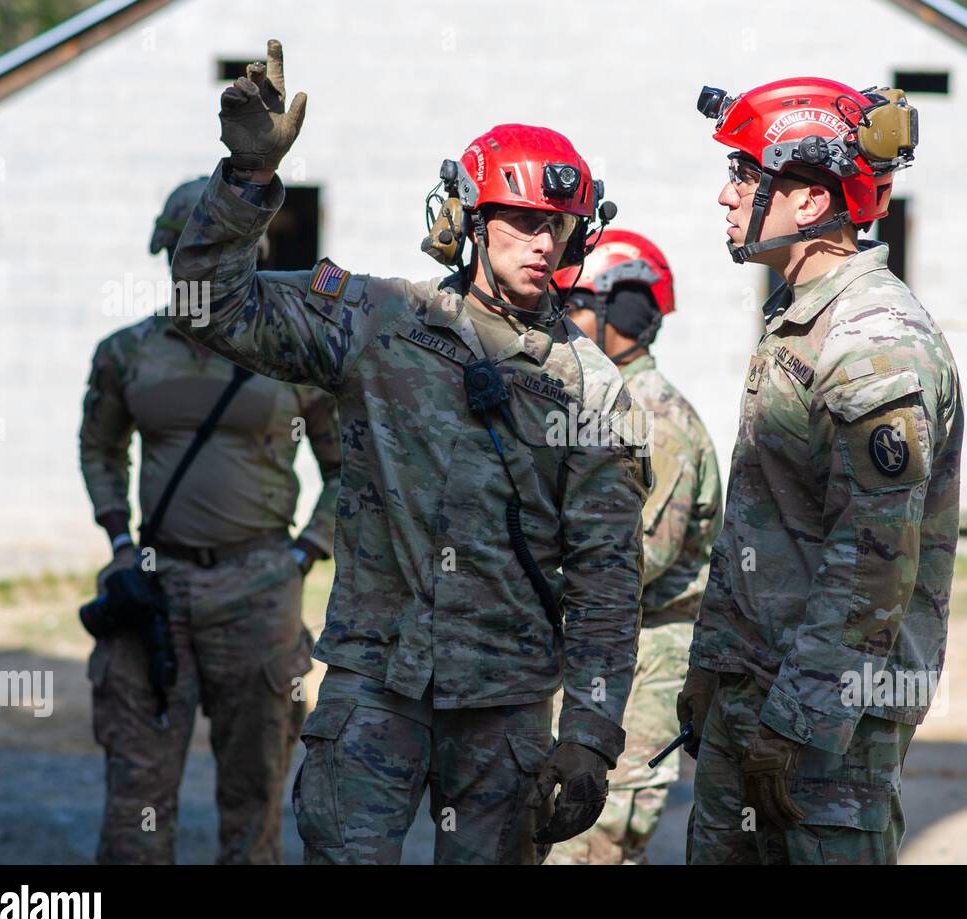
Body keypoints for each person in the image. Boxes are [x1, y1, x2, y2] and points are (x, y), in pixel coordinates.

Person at [168, 40, 648, 864]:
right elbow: (205, 307)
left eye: (558, 227)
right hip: (375, 685)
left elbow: (607, 577)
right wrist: (244, 183)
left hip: (506, 713)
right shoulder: (376, 319)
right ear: (467, 221)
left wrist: (592, 736)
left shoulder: (590, 389)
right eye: (521, 221)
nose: (541, 243)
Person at [678, 78, 964, 864]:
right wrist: (712, 668)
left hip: (822, 733)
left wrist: (795, 724)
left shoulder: (874, 342)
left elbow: (872, 563)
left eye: (742, 172)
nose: (724, 195)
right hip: (755, 699)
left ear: (808, 202)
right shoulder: (802, 319)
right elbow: (765, 522)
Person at [79, 175, 340, 864]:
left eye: (221, 253)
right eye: (191, 251)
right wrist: (117, 538)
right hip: (153, 586)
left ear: (251, 254)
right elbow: (101, 446)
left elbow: (352, 465)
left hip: (260, 586)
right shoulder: (128, 352)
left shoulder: (294, 350)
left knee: (254, 799)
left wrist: (307, 550)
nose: (201, 266)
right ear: (168, 252)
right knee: (136, 797)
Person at [546, 230, 722, 864]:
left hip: (645, 662)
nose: (561, 322)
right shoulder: (599, 404)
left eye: (575, 307)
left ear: (619, 314)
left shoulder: (653, 420)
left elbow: (633, 565)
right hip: (601, 656)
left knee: (594, 845)